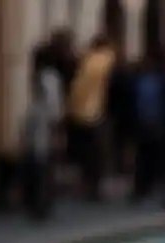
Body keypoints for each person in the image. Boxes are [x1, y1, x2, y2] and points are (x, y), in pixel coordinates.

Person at [66, 35, 116, 201]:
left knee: (86, 154)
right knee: (99, 154)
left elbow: (76, 89)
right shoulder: (107, 59)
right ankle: (95, 187)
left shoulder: (85, 61)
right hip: (98, 112)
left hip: (79, 114)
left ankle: (87, 185)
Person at [21, 43, 63, 220]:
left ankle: (41, 204)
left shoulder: (48, 78)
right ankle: (39, 204)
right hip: (38, 125)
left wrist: (55, 129)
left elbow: (53, 106)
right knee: (39, 166)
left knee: (42, 166)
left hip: (43, 126)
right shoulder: (45, 77)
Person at [131, 50, 165, 203]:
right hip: (152, 124)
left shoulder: (143, 82)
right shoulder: (155, 82)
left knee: (146, 157)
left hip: (147, 124)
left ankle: (144, 187)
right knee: (151, 157)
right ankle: (148, 186)